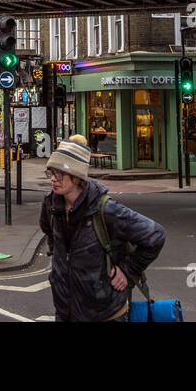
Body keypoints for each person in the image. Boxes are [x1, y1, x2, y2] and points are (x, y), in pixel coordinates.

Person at [39, 135, 165, 322]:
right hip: (66, 313)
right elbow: (49, 232)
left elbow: (155, 234)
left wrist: (128, 271)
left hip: (107, 315)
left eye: (59, 173)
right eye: (51, 172)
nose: (53, 179)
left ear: (76, 176)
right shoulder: (51, 206)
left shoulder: (104, 209)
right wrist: (60, 262)